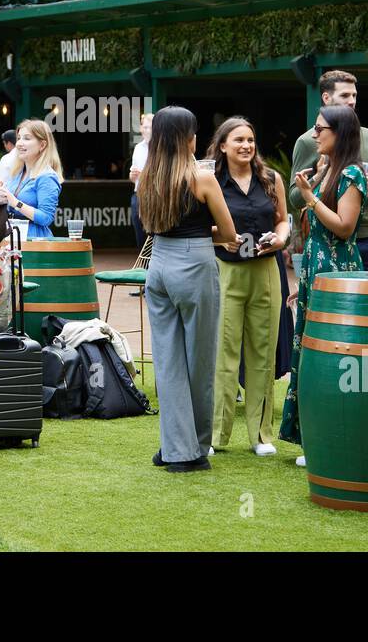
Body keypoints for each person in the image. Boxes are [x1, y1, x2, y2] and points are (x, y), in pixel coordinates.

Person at [139, 106, 238, 473]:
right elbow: (228, 234)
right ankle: (192, 448)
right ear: (188, 138)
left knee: (168, 362)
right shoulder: (202, 178)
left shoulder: (146, 178)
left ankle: (174, 446)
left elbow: (150, 225)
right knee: (200, 359)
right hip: (194, 264)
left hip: (159, 267)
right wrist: (210, 236)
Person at [279, 104, 366, 458]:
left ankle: (331, 437)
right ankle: (310, 437)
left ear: (339, 133)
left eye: (320, 129)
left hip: (337, 272)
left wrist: (312, 199)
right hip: (316, 270)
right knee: (310, 354)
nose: (314, 135)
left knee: (331, 355)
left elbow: (344, 227)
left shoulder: (352, 175)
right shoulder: (328, 170)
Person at [206, 116, 287, 457]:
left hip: (266, 270)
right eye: (238, 140)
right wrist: (221, 237)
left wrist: (279, 240)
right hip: (226, 272)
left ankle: (261, 436)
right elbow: (197, 226)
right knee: (223, 354)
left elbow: (283, 220)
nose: (246, 145)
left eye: (251, 140)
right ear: (222, 145)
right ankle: (214, 436)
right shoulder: (210, 181)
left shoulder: (270, 179)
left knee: (263, 353)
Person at [288, 70, 368, 271]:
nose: (351, 101)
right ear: (326, 97)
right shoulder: (309, 141)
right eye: (345, 95)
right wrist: (317, 179)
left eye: (354, 95)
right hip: (327, 241)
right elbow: (295, 198)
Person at [0, 119, 63, 240]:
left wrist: (16, 203)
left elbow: (46, 218)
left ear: (42, 145)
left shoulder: (47, 176)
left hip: (34, 244)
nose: (19, 143)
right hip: (11, 240)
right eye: (19, 138)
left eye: (27, 138)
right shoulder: (17, 173)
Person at [129, 112, 153, 255]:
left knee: (154, 233)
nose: (146, 130)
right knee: (140, 233)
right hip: (138, 194)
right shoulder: (138, 148)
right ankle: (142, 265)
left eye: (149, 127)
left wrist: (143, 174)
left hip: (155, 195)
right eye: (144, 127)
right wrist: (132, 175)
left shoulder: (161, 147)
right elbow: (133, 177)